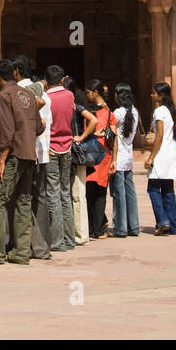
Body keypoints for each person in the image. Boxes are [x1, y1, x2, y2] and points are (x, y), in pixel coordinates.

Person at [0, 59, 44, 265]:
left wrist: (2, 161)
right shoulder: (29, 94)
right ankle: (21, 252)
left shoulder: (4, 96)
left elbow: (7, 131)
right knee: (23, 202)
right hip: (30, 155)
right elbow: (39, 128)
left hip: (13, 155)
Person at [14, 56, 52, 260]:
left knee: (23, 198)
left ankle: (33, 246)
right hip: (43, 150)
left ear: (17, 71)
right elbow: (46, 123)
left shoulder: (20, 93)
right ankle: (45, 243)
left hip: (26, 151)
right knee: (41, 197)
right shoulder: (46, 95)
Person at [41, 67, 75, 252]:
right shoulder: (69, 95)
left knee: (53, 194)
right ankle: (69, 239)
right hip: (67, 146)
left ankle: (57, 241)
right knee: (65, 193)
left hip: (51, 148)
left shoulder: (47, 99)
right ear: (62, 79)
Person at [145, 81, 176, 235]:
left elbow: (159, 135)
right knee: (168, 189)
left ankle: (162, 220)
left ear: (161, 95)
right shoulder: (173, 110)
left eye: (154, 93)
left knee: (153, 188)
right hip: (171, 151)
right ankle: (173, 226)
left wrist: (151, 157)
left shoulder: (160, 111)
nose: (151, 95)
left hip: (161, 153)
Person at [108, 83, 141, 237]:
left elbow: (112, 135)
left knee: (118, 193)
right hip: (128, 157)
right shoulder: (134, 111)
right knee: (130, 192)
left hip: (117, 157)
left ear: (118, 96)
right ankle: (133, 226)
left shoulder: (117, 113)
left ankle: (120, 227)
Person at [82, 79, 113, 239]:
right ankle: (98, 228)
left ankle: (92, 228)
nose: (86, 95)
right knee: (99, 193)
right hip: (103, 154)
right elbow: (113, 136)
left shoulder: (87, 114)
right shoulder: (109, 115)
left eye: (88, 92)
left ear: (95, 93)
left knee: (91, 193)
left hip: (91, 154)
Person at [68, 80, 95, 246]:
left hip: (76, 153)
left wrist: (81, 137)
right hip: (71, 152)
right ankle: (76, 231)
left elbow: (94, 120)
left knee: (77, 193)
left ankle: (81, 234)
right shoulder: (73, 106)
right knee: (72, 193)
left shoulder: (76, 107)